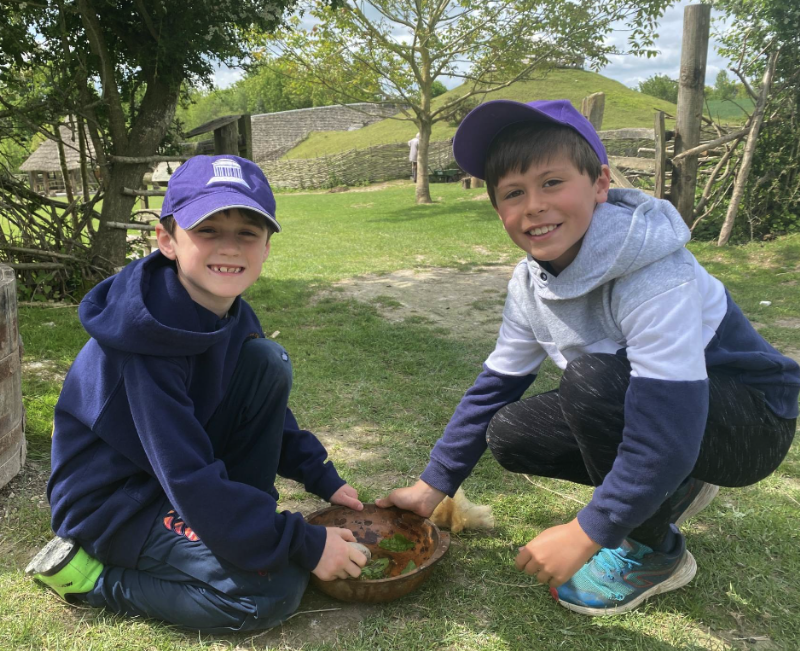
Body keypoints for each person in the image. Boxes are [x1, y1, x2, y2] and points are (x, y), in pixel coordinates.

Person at [378, 100, 799, 615]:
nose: (534, 205)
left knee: (592, 381)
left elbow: (667, 426)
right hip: (672, 415)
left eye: (552, 183)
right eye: (513, 193)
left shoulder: (654, 275)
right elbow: (493, 389)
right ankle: (672, 485)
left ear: (599, 183)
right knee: (511, 432)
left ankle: (653, 551)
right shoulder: (530, 283)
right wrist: (431, 486)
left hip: (754, 422)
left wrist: (590, 529)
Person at [26, 155, 368, 633]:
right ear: (167, 239)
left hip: (176, 472)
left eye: (247, 232)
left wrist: (319, 475)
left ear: (267, 247)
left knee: (266, 360)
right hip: (117, 504)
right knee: (268, 591)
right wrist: (301, 542)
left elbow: (258, 409)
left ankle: (237, 521)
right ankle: (93, 580)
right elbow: (186, 474)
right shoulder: (146, 343)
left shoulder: (231, 310)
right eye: (207, 230)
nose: (229, 247)